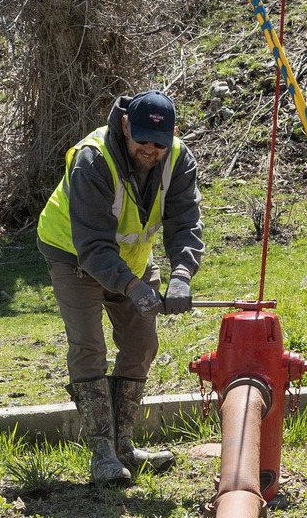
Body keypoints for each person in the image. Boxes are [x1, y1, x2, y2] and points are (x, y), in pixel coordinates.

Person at [35, 90, 203, 485]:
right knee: (89, 346)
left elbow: (186, 225)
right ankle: (102, 454)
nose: (150, 149)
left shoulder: (179, 159)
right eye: (142, 138)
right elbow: (92, 245)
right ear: (125, 124)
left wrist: (181, 275)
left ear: (173, 135)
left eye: (159, 143)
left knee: (143, 343)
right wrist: (130, 286)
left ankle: (124, 445)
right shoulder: (92, 159)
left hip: (132, 262)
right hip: (72, 254)